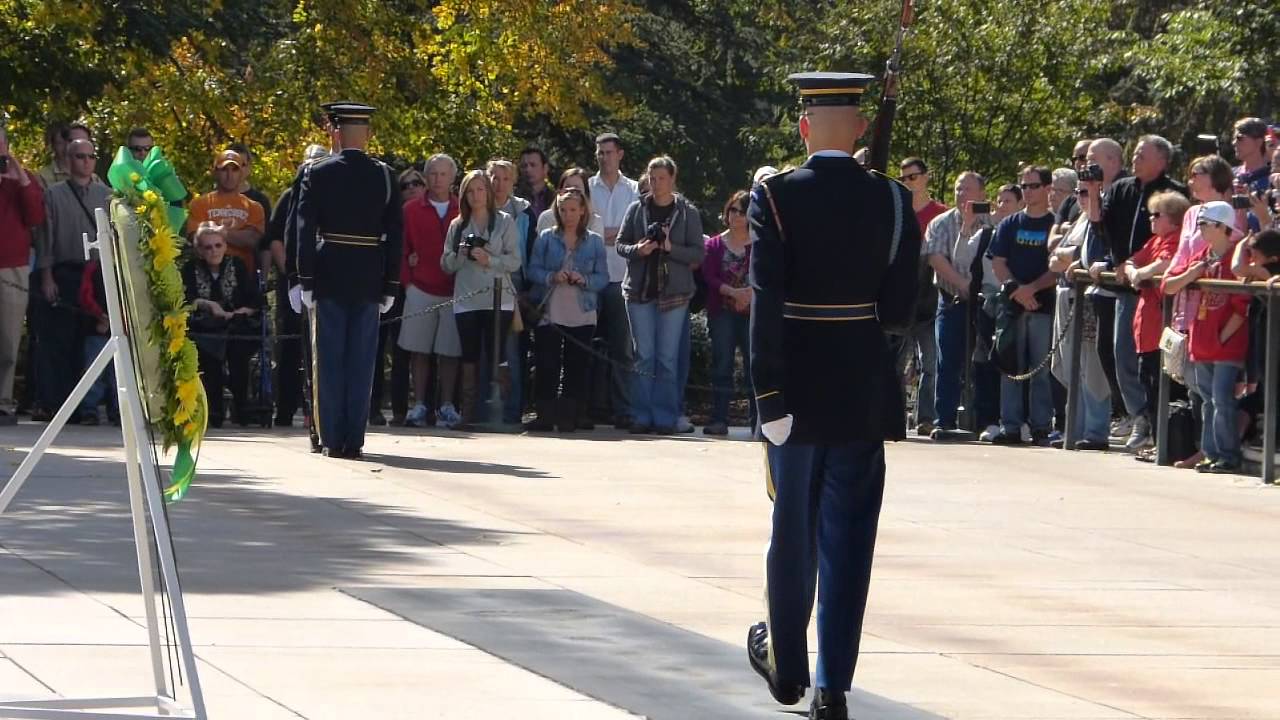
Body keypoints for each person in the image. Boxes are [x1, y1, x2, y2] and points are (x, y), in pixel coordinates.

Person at [744, 72, 921, 720]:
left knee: (792, 534)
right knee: (848, 540)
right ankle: (833, 686)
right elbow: (901, 307)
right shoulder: (896, 202)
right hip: (862, 393)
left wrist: (767, 396)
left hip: (795, 391)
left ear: (804, 127)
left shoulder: (777, 195)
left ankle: (787, 666)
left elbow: (767, 303)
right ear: (860, 130)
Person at [295, 101, 402, 459]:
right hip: (369, 274)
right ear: (367, 134)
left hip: (329, 273)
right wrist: (391, 283)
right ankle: (353, 438)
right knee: (361, 361)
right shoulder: (385, 175)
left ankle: (331, 438)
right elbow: (396, 234)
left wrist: (304, 277)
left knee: (329, 359)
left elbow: (304, 227)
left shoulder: (318, 172)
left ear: (334, 133)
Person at [1086, 135, 1188, 449]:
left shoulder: (1173, 194)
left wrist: (1140, 270)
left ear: (1162, 159)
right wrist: (1093, 193)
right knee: (1119, 355)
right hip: (1125, 285)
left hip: (1159, 294)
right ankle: (1138, 415)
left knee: (1153, 362)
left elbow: (1173, 243)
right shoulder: (1121, 188)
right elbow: (1100, 224)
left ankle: (1160, 426)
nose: (1136, 158)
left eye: (1143, 154)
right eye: (1136, 153)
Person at [616, 156, 704, 435]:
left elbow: (697, 254)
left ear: (672, 179)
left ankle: (665, 417)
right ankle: (641, 416)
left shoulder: (688, 212)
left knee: (666, 358)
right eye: (652, 179)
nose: (656, 184)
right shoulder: (636, 209)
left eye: (662, 178)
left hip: (675, 294)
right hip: (640, 292)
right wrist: (638, 249)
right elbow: (620, 244)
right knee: (644, 356)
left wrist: (669, 247)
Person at [1162, 201, 1249, 474]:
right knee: (1207, 401)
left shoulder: (1234, 259)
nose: (1200, 229)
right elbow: (1168, 285)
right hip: (1202, 343)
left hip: (1224, 346)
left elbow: (1242, 306)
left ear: (1223, 228)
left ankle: (1227, 456)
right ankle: (1211, 453)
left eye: (1206, 224)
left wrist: (1221, 337)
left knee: (1222, 401)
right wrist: (1191, 273)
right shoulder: (1201, 256)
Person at [34, 137, 110, 421]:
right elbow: (45, 238)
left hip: (98, 277)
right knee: (60, 342)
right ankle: (59, 405)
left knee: (91, 343)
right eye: (79, 156)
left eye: (91, 156)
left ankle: (88, 407)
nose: (86, 162)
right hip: (65, 273)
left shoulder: (107, 195)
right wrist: (47, 276)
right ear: (68, 160)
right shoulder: (54, 194)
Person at [525, 187, 609, 431]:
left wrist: (584, 280)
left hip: (582, 311)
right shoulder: (546, 238)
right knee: (547, 363)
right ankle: (545, 414)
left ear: (582, 211)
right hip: (550, 309)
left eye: (573, 209)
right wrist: (552, 276)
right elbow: (533, 270)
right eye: (563, 210)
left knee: (577, 364)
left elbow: (603, 277)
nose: (568, 214)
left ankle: (572, 414)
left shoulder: (594, 241)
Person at [441, 169, 520, 426]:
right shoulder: (458, 224)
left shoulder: (505, 221)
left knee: (499, 353)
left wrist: (491, 260)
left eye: (480, 189)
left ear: (488, 191)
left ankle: (503, 412)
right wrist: (462, 254)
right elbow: (446, 264)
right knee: (470, 355)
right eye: (471, 191)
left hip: (499, 296)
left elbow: (515, 261)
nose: (476, 196)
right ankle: (469, 413)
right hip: (466, 298)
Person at [989, 165, 1059, 446]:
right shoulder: (1010, 224)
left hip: (1043, 305)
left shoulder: (1055, 223)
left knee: (1040, 369)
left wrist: (1033, 288)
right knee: (1011, 367)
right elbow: (998, 261)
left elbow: (1058, 267)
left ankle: (1041, 426)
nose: (1028, 191)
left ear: (1046, 188)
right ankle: (1011, 426)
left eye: (1033, 186)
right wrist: (1016, 290)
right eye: (1024, 186)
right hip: (1013, 306)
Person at [1116, 191, 1188, 451]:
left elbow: (1166, 263)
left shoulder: (1176, 239)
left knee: (1162, 388)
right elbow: (1132, 261)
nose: (1151, 219)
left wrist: (1142, 272)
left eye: (1157, 215)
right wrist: (1135, 271)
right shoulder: (1155, 240)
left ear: (1174, 219)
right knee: (1148, 385)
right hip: (1145, 327)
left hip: (1161, 327)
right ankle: (1158, 442)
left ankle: (1165, 444)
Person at [267, 143, 329, 428]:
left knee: (319, 349)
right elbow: (276, 238)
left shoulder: (333, 196)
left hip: (324, 283)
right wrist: (291, 273)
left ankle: (317, 412)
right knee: (289, 347)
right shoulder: (290, 196)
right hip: (293, 283)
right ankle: (284, 409)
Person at [399, 154, 464, 428]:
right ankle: (419, 405)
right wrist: (408, 282)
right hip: (420, 288)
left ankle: (447, 405)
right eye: (433, 174)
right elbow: (402, 249)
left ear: (453, 178)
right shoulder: (411, 209)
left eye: (444, 174)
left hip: (455, 289)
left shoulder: (463, 209)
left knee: (449, 352)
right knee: (419, 351)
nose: (438, 179)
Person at [183, 222, 262, 428]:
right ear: (199, 249)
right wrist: (207, 304)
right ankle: (213, 411)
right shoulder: (190, 269)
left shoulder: (237, 265)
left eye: (218, 245)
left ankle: (242, 409)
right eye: (208, 247)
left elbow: (254, 300)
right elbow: (185, 300)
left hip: (236, 324)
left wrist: (238, 312)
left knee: (239, 353)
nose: (214, 251)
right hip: (205, 328)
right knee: (209, 356)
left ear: (225, 246)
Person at [589, 132, 640, 427]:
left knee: (623, 349)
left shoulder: (633, 190)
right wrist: (615, 233)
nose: (604, 157)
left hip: (623, 278)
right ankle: (587, 407)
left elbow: (632, 232)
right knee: (587, 344)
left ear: (619, 154)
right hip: (591, 277)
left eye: (608, 152)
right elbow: (585, 230)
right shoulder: (587, 187)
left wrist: (607, 234)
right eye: (599, 153)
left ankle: (623, 410)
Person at [367, 167, 424, 426]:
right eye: (405, 185)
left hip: (413, 289)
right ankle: (373, 406)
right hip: (384, 288)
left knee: (403, 352)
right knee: (376, 350)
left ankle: (401, 410)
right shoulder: (389, 216)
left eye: (416, 182)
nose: (411, 188)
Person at [895, 156, 947, 435]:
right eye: (903, 179)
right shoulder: (898, 213)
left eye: (913, 177)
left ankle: (926, 417)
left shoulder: (941, 215)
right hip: (902, 300)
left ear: (926, 177)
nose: (908, 183)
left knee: (931, 363)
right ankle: (896, 416)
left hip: (931, 300)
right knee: (897, 365)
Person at [486, 158, 537, 425]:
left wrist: (526, 290)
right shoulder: (476, 205)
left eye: (505, 178)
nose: (499, 183)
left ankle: (512, 409)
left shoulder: (523, 212)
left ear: (513, 181)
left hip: (513, 283)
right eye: (495, 177)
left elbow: (529, 251)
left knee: (511, 351)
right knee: (482, 348)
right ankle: (479, 408)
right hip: (479, 283)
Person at [0, 124, 45, 425]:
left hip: (12, 267)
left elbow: (36, 218)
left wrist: (21, 182)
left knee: (8, 337)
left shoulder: (23, 179)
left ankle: (3, 402)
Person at [701, 190, 754, 436]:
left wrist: (749, 295)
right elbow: (708, 277)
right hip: (721, 311)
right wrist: (733, 292)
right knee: (722, 365)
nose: (736, 216)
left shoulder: (759, 244)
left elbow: (767, 275)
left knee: (754, 367)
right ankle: (719, 419)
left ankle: (759, 422)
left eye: (742, 211)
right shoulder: (713, 244)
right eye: (733, 210)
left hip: (751, 312)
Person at [186, 149, 266, 277]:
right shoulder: (199, 204)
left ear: (241, 173)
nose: (230, 175)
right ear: (215, 172)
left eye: (235, 170)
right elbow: (196, 240)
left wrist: (217, 231)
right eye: (224, 170)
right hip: (206, 275)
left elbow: (252, 240)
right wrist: (235, 235)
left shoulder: (254, 207)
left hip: (243, 275)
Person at [75, 259, 117, 425]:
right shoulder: (94, 268)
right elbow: (86, 295)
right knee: (94, 372)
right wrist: (99, 315)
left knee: (117, 374)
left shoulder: (125, 269)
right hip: (96, 327)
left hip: (119, 328)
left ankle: (118, 410)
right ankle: (89, 410)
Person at [1232, 118, 1271, 193]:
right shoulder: (1230, 175)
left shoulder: (1271, 179)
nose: (1234, 143)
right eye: (1234, 138)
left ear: (1258, 142)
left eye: (1239, 138)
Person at [517, 146, 555, 219]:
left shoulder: (555, 198)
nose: (528, 169)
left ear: (545, 168)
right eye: (524, 166)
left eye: (533, 165)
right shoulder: (513, 198)